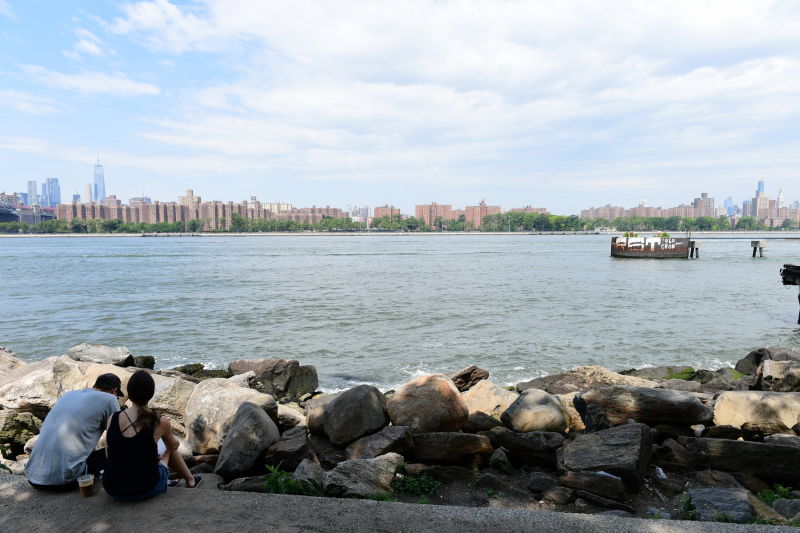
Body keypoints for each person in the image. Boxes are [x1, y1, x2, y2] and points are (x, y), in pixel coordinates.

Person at [102, 370, 198, 501]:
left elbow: (109, 455)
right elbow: (173, 446)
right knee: (167, 447)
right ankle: (190, 480)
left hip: (113, 489)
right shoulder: (160, 421)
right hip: (146, 488)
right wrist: (165, 450)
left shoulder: (113, 418)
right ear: (151, 394)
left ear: (129, 394)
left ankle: (183, 479)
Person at [25, 373, 123, 491]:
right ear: (114, 390)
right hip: (65, 480)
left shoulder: (68, 395)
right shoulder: (109, 399)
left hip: (33, 477)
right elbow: (119, 435)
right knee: (122, 449)